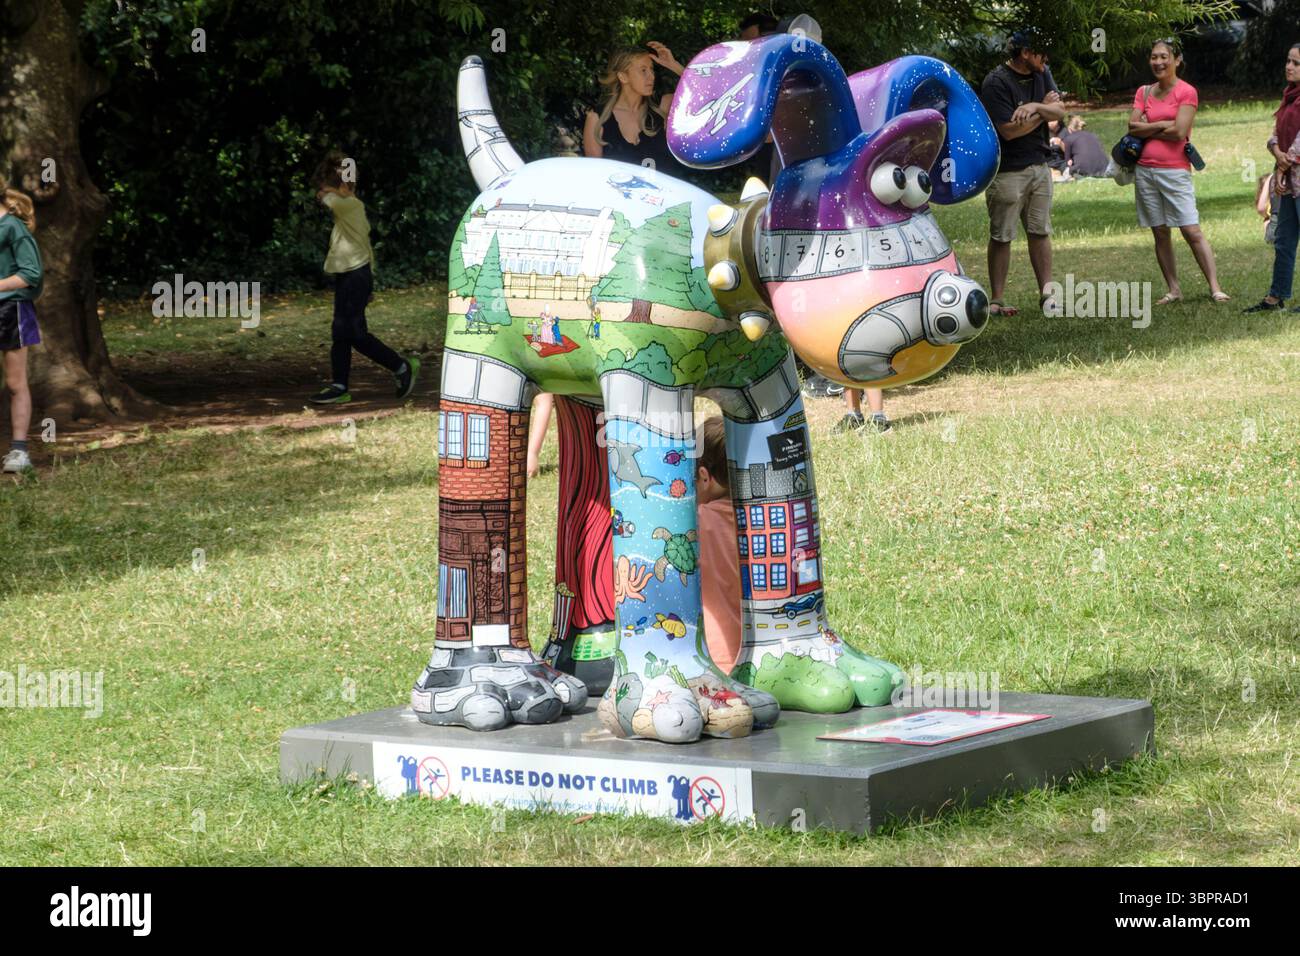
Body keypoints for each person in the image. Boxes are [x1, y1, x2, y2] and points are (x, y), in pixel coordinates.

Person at [308, 151, 419, 404]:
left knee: (354, 333)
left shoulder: (350, 205)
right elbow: (366, 246)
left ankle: (401, 366)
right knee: (341, 332)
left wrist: (326, 191)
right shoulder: (351, 209)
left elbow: (328, 199)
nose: (323, 192)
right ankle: (339, 386)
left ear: (343, 186)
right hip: (353, 275)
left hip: (356, 275)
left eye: (330, 186)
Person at [1127, 39, 1228, 306]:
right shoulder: (1144, 92)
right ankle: (1174, 289)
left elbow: (1179, 132)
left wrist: (1150, 124)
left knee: (1191, 230)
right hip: (1145, 171)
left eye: (1164, 56)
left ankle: (1215, 287)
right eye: (1154, 57)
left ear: (1177, 60)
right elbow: (1131, 126)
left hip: (1174, 171)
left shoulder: (1187, 92)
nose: (1158, 62)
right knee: (1159, 231)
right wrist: (1164, 124)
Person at [979, 29, 1066, 317]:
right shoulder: (996, 82)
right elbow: (1009, 131)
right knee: (1002, 236)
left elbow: (1060, 112)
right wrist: (1045, 111)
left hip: (1039, 167)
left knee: (1040, 232)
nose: (1047, 58)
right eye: (1041, 52)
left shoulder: (1042, 72)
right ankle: (997, 300)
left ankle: (1047, 295)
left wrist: (1033, 107)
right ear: (1026, 53)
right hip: (1007, 171)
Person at [1243, 43, 1300, 313]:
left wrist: (1284, 162)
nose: (1289, 67)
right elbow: (1275, 133)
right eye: (1288, 61)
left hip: (1293, 175)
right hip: (1286, 179)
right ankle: (1275, 297)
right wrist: (1278, 156)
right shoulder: (1289, 96)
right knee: (1284, 238)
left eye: (1296, 63)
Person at [583, 44, 686, 175]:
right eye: (643, 70)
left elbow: (710, 97)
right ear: (623, 77)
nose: (652, 76)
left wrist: (674, 65)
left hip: (665, 195)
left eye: (651, 70)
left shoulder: (663, 107)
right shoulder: (597, 120)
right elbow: (595, 178)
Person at [0, 181, 42, 475]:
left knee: (15, 384)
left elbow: (30, 274)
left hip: (11, 310)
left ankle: (19, 451)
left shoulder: (13, 227)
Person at [696, 415, 743, 674]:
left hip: (712, 660)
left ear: (704, 476)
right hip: (754, 656)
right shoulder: (758, 519)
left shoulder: (697, 522)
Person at [1058, 114, 1110, 178]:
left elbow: (1068, 162)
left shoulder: (1069, 138)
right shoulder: (1093, 135)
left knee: (1066, 171)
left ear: (1069, 128)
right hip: (1105, 168)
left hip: (1084, 170)